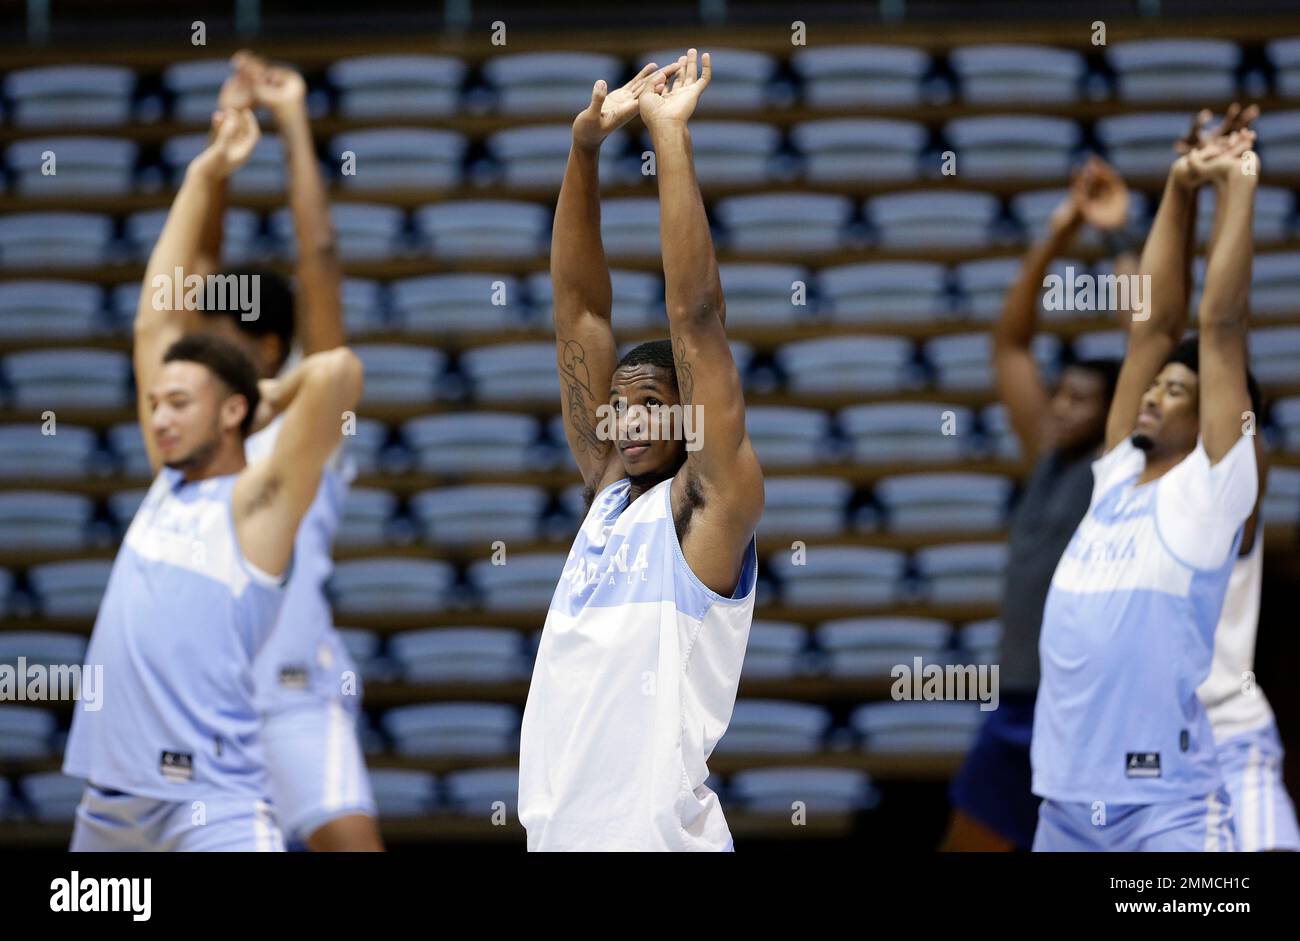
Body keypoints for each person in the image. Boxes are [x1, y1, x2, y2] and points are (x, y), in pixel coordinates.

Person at [62, 106, 365, 850]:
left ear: (235, 398)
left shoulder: (267, 486)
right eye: (155, 402)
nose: (158, 416)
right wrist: (208, 170)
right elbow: (159, 313)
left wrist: (264, 403)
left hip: (257, 727)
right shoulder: (171, 475)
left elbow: (337, 365)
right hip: (118, 797)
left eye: (179, 402)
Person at [517, 50, 764, 851]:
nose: (621, 424)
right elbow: (578, 308)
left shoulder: (706, 507)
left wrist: (667, 136)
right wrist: (583, 151)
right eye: (615, 409)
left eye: (646, 407)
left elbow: (695, 315)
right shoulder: (606, 493)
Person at [1031, 107, 1261, 851]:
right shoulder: (1118, 471)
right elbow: (1152, 326)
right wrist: (1179, 183)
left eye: (1180, 392)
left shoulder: (1213, 486)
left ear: (1212, 421)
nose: (1158, 393)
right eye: (1155, 387)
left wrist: (1237, 186)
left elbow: (1217, 329)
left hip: (1163, 807)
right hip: (1063, 800)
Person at [192, 53, 382, 852]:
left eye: (222, 335)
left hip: (300, 698)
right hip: (202, 700)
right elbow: (192, 272)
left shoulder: (310, 421)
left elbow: (321, 263)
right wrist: (224, 154)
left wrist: (294, 121)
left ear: (270, 348)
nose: (199, 349)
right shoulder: (192, 426)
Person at [943, 158, 1125, 851]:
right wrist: (1059, 231)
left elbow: (1153, 338)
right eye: (1063, 393)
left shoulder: (1121, 466)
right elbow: (1011, 344)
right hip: (1018, 700)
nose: (1061, 406)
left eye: (1082, 399)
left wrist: (1113, 240)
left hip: (1087, 709)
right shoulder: (1047, 453)